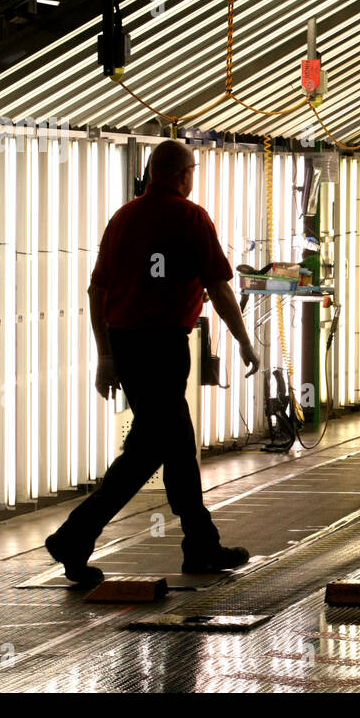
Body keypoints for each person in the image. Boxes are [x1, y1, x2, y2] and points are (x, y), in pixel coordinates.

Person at [45, 140, 260, 583]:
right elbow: (219, 289)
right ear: (183, 175)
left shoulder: (123, 218)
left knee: (176, 450)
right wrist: (243, 341)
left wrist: (105, 357)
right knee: (146, 454)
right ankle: (74, 537)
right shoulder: (191, 217)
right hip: (163, 347)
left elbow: (96, 292)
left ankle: (201, 545)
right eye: (192, 172)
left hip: (126, 349)